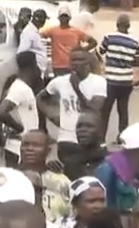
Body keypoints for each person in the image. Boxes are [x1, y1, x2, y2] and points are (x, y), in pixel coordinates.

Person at [39, 47, 106, 178]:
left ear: (88, 61)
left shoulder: (98, 82)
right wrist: (52, 116)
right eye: (74, 60)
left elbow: (93, 109)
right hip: (67, 140)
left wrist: (77, 88)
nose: (76, 63)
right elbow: (41, 98)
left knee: (91, 177)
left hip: (90, 139)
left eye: (81, 59)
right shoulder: (60, 82)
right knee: (71, 176)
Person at [98, 13, 139, 137]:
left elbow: (101, 51)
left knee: (105, 111)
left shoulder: (109, 37)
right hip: (126, 81)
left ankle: (101, 137)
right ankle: (122, 136)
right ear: (128, 26)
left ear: (117, 24)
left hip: (110, 80)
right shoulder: (135, 42)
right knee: (123, 110)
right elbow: (136, 62)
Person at [0, 51, 41, 167]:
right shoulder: (20, 88)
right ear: (32, 68)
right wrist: (19, 128)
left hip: (22, 147)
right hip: (19, 148)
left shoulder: (22, 87)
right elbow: (1, 112)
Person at [42, 5, 95, 77]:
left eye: (65, 17)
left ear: (69, 18)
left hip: (73, 65)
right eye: (62, 17)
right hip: (58, 65)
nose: (64, 19)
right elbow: (40, 35)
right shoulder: (53, 30)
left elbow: (93, 42)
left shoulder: (76, 31)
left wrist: (83, 50)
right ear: (59, 18)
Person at [17, 8, 49, 77]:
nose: (44, 22)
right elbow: (22, 53)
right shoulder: (28, 32)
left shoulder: (34, 31)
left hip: (39, 71)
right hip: (33, 71)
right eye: (44, 19)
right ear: (38, 19)